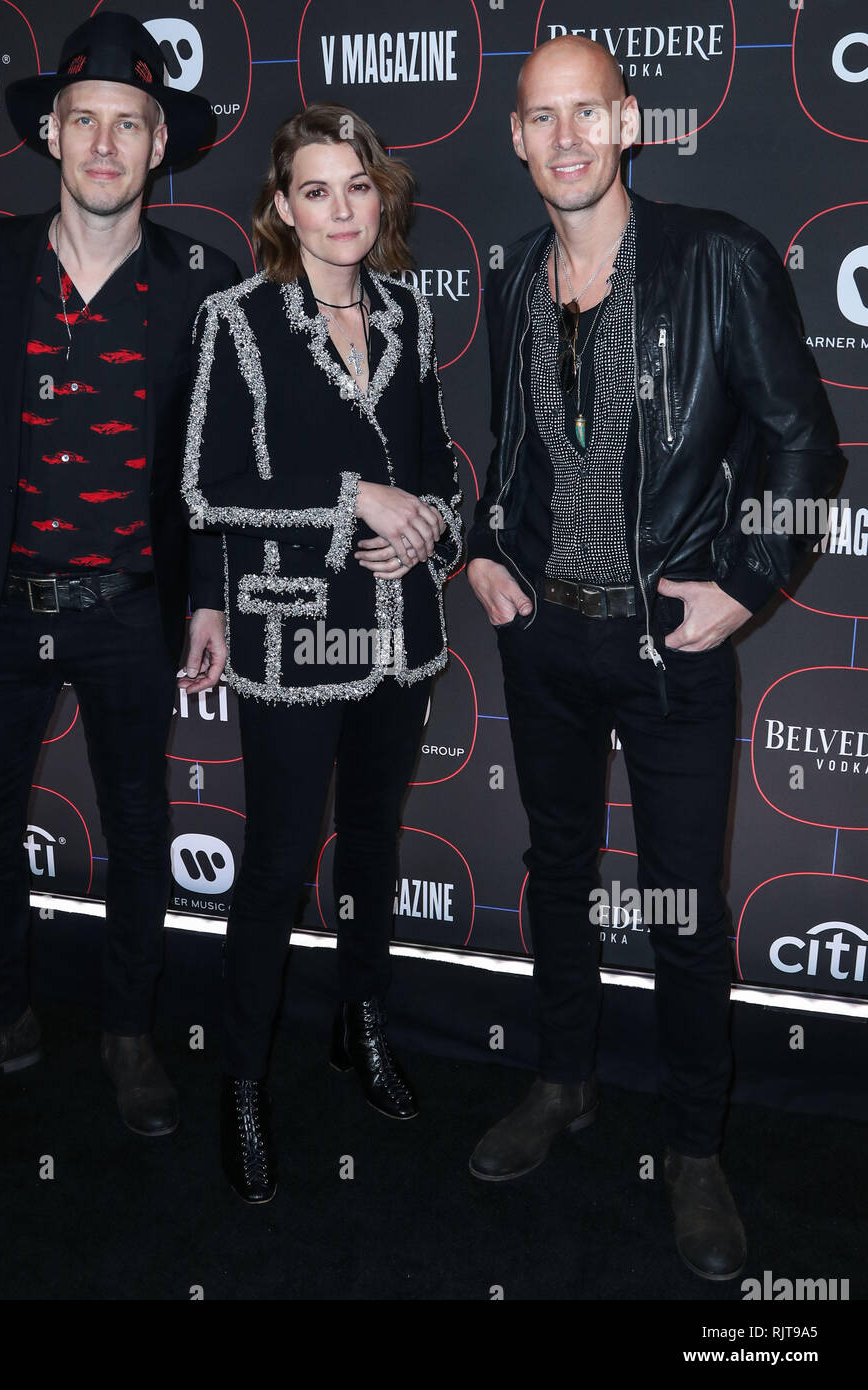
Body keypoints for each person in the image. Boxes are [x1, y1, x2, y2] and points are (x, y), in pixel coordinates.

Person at [465, 36, 843, 1279]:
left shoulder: (715, 258)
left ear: (627, 121)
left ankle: (690, 1149)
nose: (565, 138)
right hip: (545, 642)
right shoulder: (515, 271)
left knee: (682, 910)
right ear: (515, 138)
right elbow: (506, 450)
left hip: (668, 643)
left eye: (588, 112)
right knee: (557, 872)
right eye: (541, 118)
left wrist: (742, 592)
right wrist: (479, 552)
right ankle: (562, 1080)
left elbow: (807, 453)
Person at [0, 13, 238, 1138]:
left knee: (140, 828)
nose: (103, 143)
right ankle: (0, 1018)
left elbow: (217, 463)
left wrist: (206, 597)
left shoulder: (203, 279)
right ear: (51, 134)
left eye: (126, 124)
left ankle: (128, 1037)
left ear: (158, 146)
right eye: (83, 120)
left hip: (132, 611)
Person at [182, 103, 462, 1203]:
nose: (340, 208)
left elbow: (436, 463)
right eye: (314, 189)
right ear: (281, 206)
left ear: (379, 196)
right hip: (291, 636)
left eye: (356, 186)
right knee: (278, 862)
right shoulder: (237, 320)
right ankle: (242, 1081)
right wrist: (358, 500)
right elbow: (211, 488)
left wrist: (428, 524)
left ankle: (361, 1024)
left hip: (404, 634)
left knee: (373, 847)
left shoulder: (409, 311)